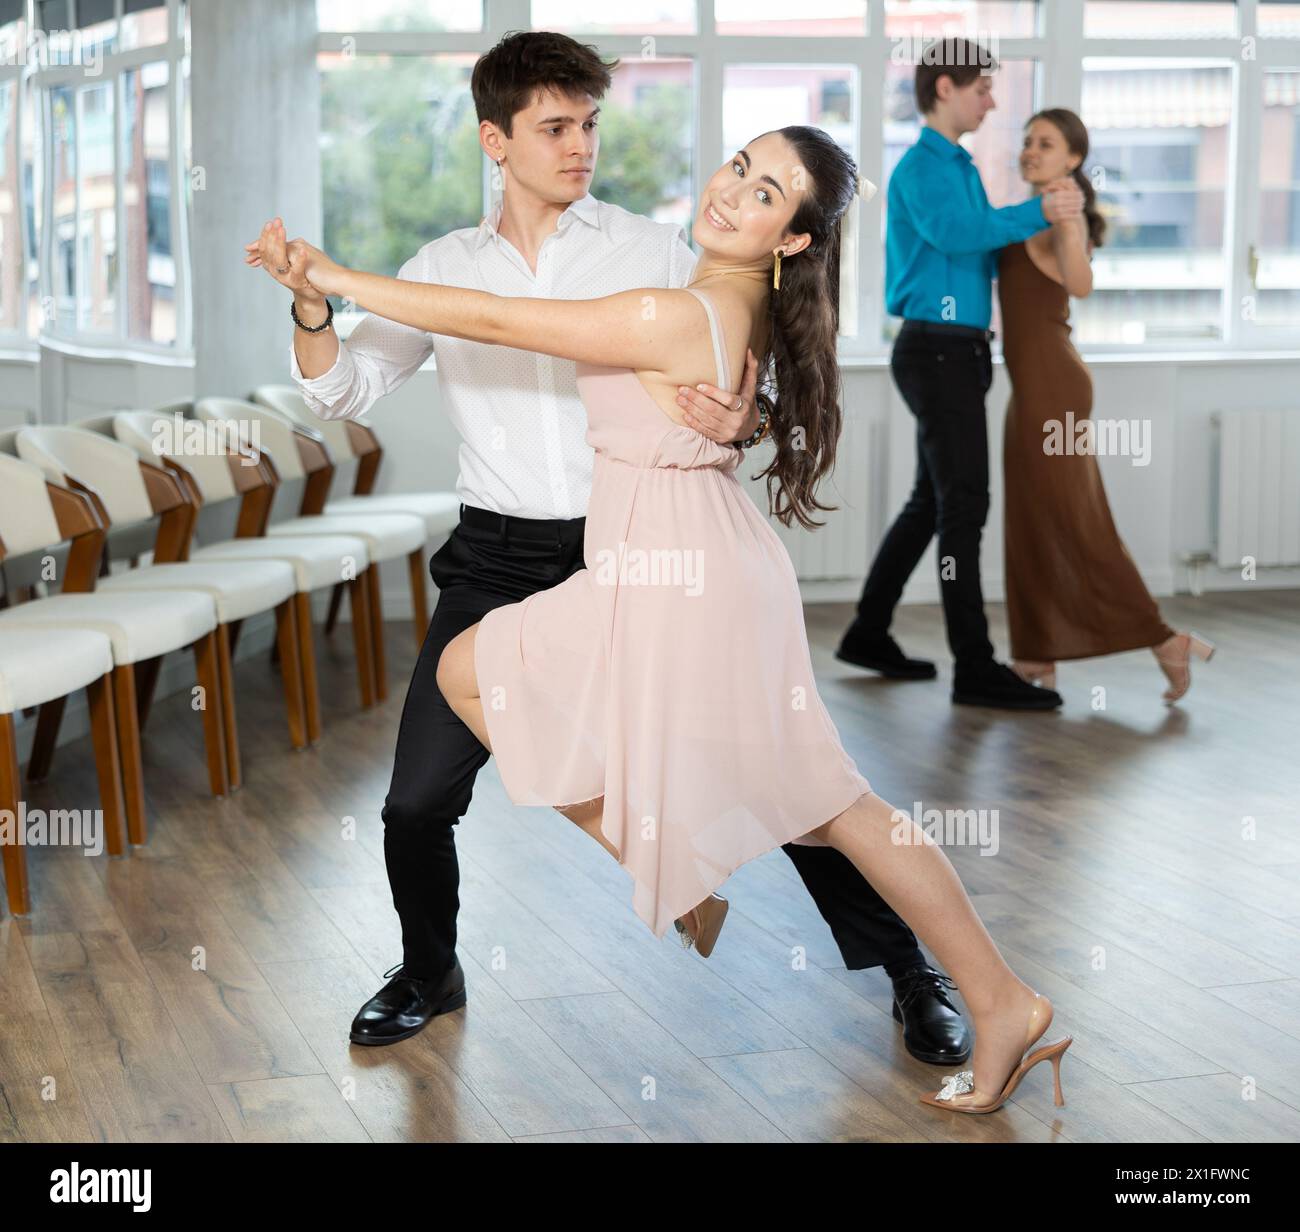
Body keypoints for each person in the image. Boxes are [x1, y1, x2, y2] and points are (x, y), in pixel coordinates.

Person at [253, 117, 1075, 1114]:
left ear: (794, 239)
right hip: (669, 557)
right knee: (800, 796)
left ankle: (985, 994)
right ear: (497, 137)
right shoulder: (718, 292)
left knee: (823, 805)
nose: (732, 189)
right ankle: (720, 886)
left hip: (679, 571)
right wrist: (322, 300)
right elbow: (394, 361)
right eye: (737, 165)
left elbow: (503, 323)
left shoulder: (666, 300)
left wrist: (338, 271)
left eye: (765, 192)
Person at [835, 39, 1084, 710]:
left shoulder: (957, 165)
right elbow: (958, 234)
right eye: (983, 89)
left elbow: (972, 234)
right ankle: (975, 666)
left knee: (933, 503)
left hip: (954, 352)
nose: (992, 100)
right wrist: (1044, 211)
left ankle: (867, 631)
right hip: (937, 352)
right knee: (964, 506)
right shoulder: (923, 169)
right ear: (946, 87)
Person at [999, 109, 1215, 703]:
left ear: (1072, 157)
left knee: (1077, 524)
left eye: (1044, 143)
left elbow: (1081, 282)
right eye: (1026, 141)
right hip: (1034, 389)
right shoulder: (1034, 209)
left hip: (1052, 389)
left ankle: (1166, 640)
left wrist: (1068, 224)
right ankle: (1036, 656)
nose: (1029, 151)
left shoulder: (1061, 207)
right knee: (1034, 519)